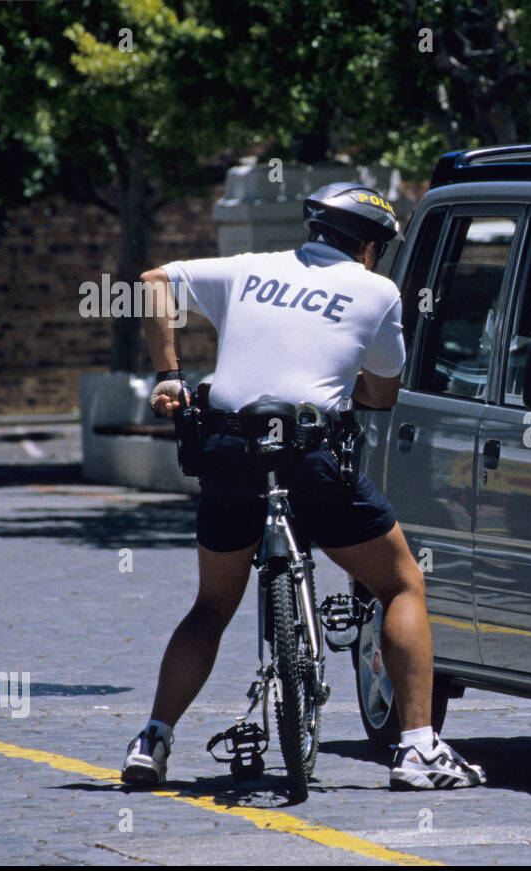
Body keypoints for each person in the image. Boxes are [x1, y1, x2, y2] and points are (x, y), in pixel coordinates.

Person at [121, 183, 485, 791]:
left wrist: (170, 375)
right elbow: (383, 393)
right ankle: (418, 748)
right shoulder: (378, 291)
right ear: (370, 246)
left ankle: (152, 739)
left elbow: (153, 278)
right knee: (401, 583)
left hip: (229, 450)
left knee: (211, 607)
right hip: (311, 456)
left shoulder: (250, 269)